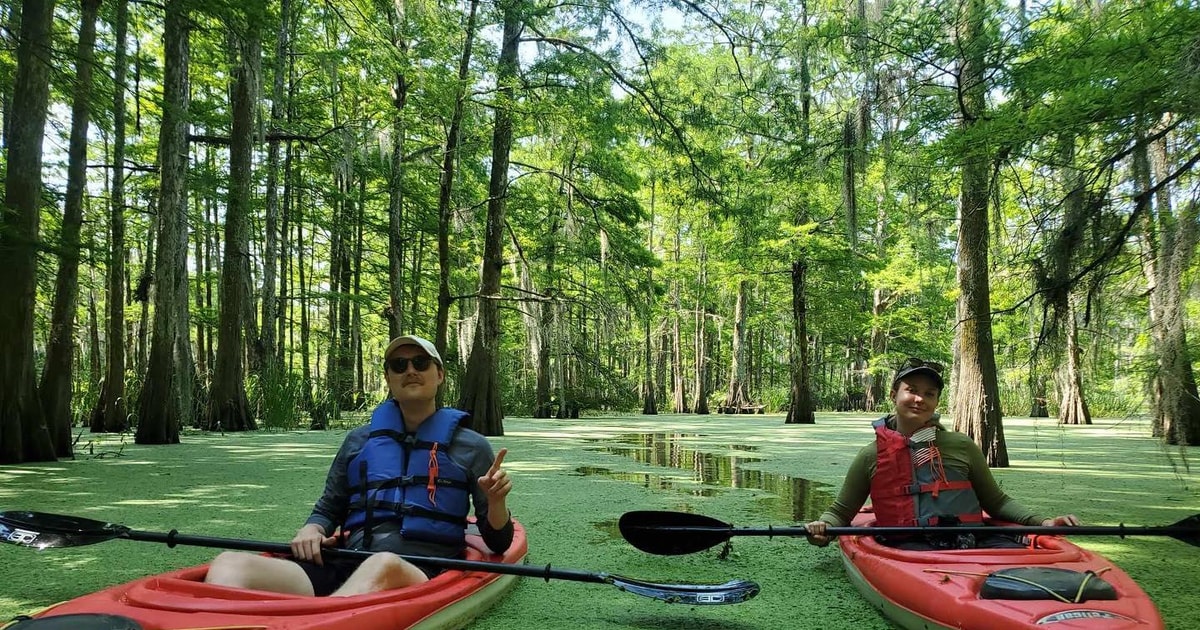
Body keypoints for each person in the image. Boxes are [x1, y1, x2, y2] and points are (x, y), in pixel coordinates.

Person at [205, 334, 514, 596]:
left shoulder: (472, 447)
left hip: (423, 572)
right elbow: (328, 509)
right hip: (349, 562)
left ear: (440, 375)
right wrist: (312, 528)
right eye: (399, 365)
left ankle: (320, 619)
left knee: (384, 563)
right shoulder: (358, 441)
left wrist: (496, 502)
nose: (410, 371)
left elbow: (498, 542)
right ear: (388, 378)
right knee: (229, 564)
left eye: (420, 363)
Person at [804, 358, 1079, 550]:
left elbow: (996, 502)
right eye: (911, 390)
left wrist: (1043, 522)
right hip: (905, 548)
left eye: (929, 393)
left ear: (936, 401)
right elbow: (841, 512)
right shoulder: (870, 456)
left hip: (968, 543)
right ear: (893, 394)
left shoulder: (962, 445)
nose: (919, 399)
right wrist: (823, 528)